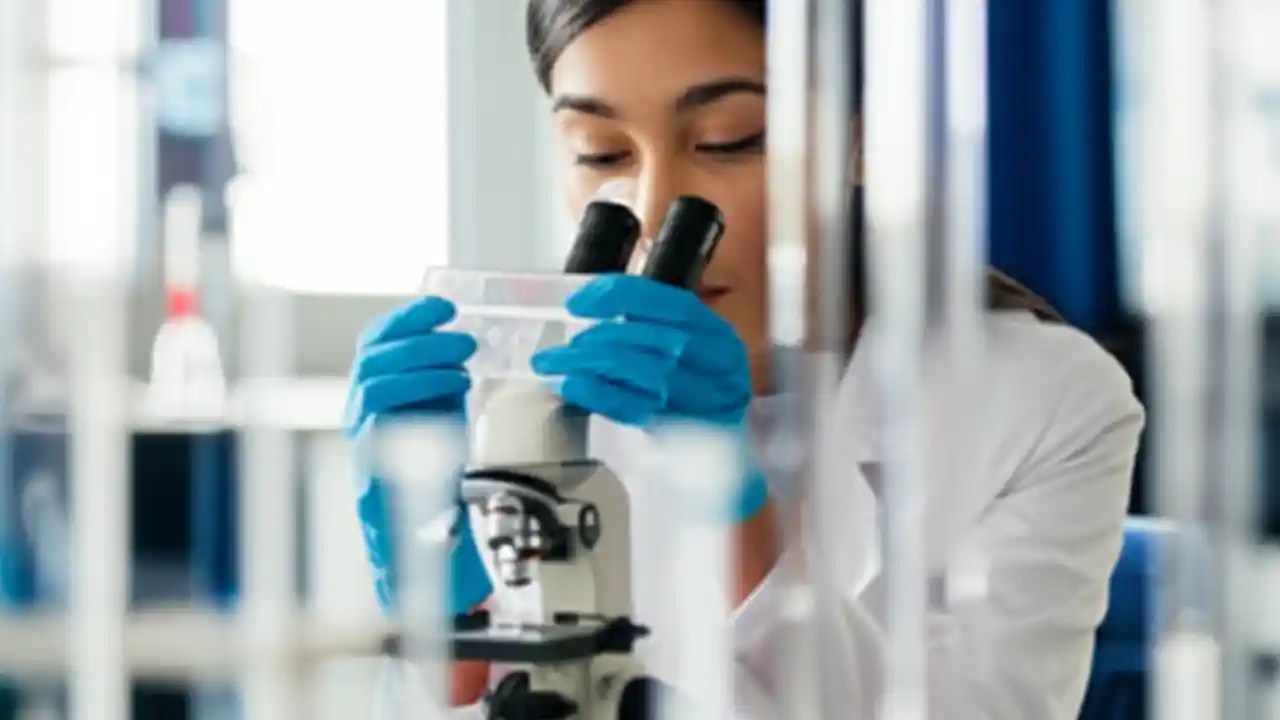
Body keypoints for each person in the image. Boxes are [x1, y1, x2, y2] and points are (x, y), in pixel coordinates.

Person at [345, 0, 1146, 717]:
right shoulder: (516, 395)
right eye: (598, 153)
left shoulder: (1046, 402)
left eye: (733, 140)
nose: (654, 210)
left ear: (860, 134)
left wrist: (739, 514)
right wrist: (435, 601)